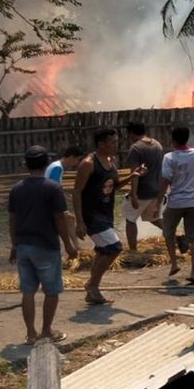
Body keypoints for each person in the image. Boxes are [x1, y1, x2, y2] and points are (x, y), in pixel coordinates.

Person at [8, 146, 79, 344]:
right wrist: (69, 245)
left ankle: (31, 334)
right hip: (46, 246)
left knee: (28, 292)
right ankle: (46, 330)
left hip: (23, 247)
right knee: (51, 291)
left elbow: (12, 220)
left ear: (26, 164)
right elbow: (59, 219)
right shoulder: (52, 188)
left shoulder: (17, 188)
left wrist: (14, 245)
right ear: (47, 162)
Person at [73, 128, 122, 305]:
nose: (116, 145)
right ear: (101, 144)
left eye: (116, 141)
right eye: (112, 142)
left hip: (105, 212)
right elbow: (76, 192)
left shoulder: (111, 161)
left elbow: (113, 186)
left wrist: (134, 175)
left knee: (103, 250)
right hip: (91, 215)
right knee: (114, 247)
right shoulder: (88, 163)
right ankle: (92, 285)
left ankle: (93, 291)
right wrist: (79, 221)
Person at [161, 126, 194, 284]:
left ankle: (174, 263)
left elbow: (166, 180)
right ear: (188, 138)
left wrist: (158, 201)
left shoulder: (169, 157)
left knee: (168, 232)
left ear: (173, 140)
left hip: (175, 202)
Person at [123, 122, 165, 252]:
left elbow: (135, 174)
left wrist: (133, 194)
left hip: (142, 191)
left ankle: (133, 251)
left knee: (130, 220)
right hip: (156, 190)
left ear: (130, 133)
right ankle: (176, 236)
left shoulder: (135, 148)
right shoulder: (157, 145)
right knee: (154, 218)